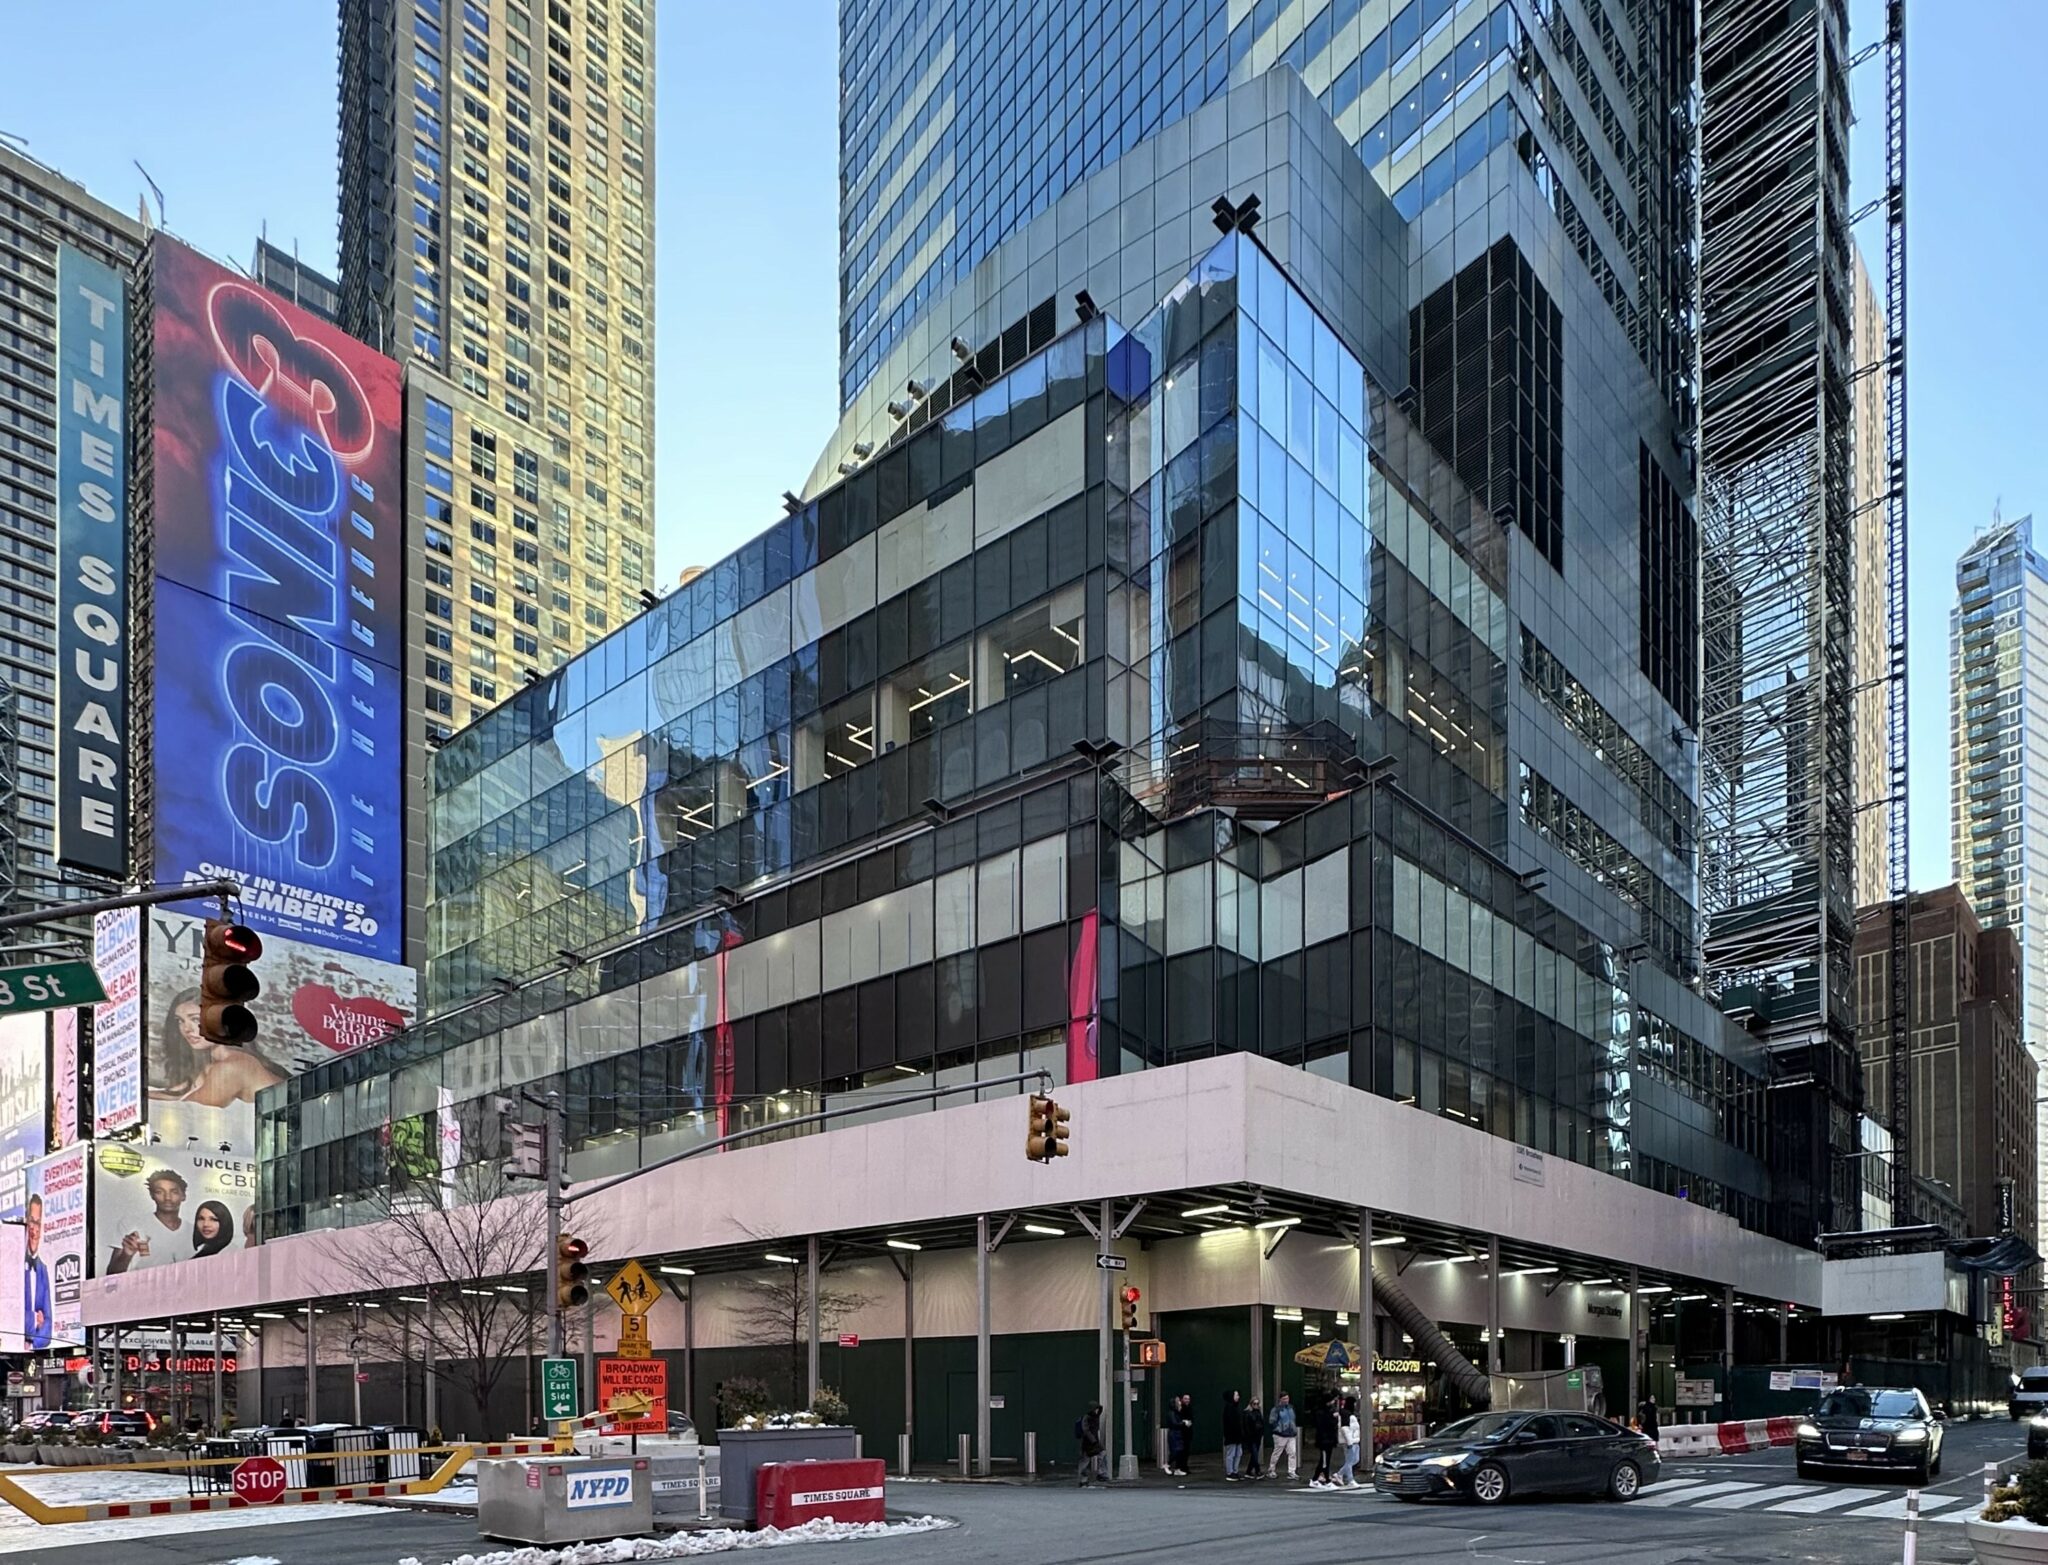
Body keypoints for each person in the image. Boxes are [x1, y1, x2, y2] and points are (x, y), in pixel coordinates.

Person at [153, 989, 285, 1108]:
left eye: (195, 1019)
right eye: (180, 1021)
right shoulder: (212, 1064)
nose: (187, 1029)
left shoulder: (233, 1066)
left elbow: (187, 1107)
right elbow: (175, 1094)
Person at [106, 1169, 193, 1273]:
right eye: (160, 1192)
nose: (167, 1198)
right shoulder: (132, 1225)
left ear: (183, 1196)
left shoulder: (194, 1232)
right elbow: (111, 1273)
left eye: (174, 1192)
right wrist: (127, 1254)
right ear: (152, 1195)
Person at [21, 1191, 51, 1351]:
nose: (35, 1229)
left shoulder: (42, 1270)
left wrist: (32, 1343)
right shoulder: (11, 1266)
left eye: (38, 1223)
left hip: (31, 1348)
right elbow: (7, 1315)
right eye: (31, 1222)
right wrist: (33, 1319)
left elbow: (49, 1326)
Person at [1267, 1391, 1299, 1479]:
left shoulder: (1290, 1408)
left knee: (1292, 1453)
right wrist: (1279, 1429)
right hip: (1281, 1434)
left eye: (1287, 1398)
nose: (1286, 1400)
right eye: (1284, 1399)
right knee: (1277, 1452)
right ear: (1280, 1399)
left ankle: (1292, 1471)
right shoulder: (1276, 1409)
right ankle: (1271, 1469)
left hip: (1290, 1433)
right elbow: (1272, 1421)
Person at [1310, 1392, 1339, 1486]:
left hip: (1326, 1440)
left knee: (1324, 1460)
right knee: (1325, 1461)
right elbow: (1326, 1425)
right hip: (1325, 1440)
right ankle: (1325, 1480)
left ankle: (1316, 1479)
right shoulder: (1323, 1413)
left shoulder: (1323, 1412)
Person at [1075, 1403, 1107, 1486]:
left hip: (1091, 1441)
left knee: (1088, 1459)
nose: (1097, 1411)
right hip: (1089, 1442)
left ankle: (1085, 1479)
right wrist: (1093, 1440)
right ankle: (1085, 1479)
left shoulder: (1094, 1417)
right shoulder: (1088, 1418)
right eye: (1095, 1409)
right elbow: (1086, 1430)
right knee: (1086, 1460)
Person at [1336, 1396, 1362, 1487]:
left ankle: (1339, 1474)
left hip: (1354, 1440)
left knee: (1354, 1460)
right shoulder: (1346, 1414)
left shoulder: (1348, 1414)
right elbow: (1345, 1429)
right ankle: (1350, 1479)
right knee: (1350, 1460)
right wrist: (1350, 1442)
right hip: (1350, 1442)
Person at [1241, 1397, 1268, 1482]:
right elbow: (1246, 1426)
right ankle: (1257, 1470)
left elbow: (1261, 1423)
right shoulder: (1247, 1413)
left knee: (1254, 1455)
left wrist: (1262, 1432)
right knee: (1255, 1454)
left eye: (1257, 1403)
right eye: (1254, 1404)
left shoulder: (1258, 1412)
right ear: (1251, 1404)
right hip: (1251, 1437)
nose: (1256, 1405)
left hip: (1258, 1436)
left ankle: (1249, 1471)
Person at [1165, 1394, 1190, 1476]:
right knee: (1175, 1451)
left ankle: (1177, 1469)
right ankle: (1167, 1464)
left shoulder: (1177, 1412)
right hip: (1174, 1434)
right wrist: (1183, 1423)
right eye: (1178, 1401)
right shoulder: (1171, 1413)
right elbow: (1174, 1423)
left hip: (1178, 1433)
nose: (1180, 1402)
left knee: (1180, 1451)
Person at [1222, 1389, 1244, 1480]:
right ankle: (1230, 1472)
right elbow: (1229, 1423)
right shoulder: (1229, 1408)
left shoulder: (1235, 1407)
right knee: (1231, 1454)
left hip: (1237, 1435)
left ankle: (1235, 1471)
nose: (1238, 1397)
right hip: (1231, 1435)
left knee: (1238, 1453)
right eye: (1236, 1395)